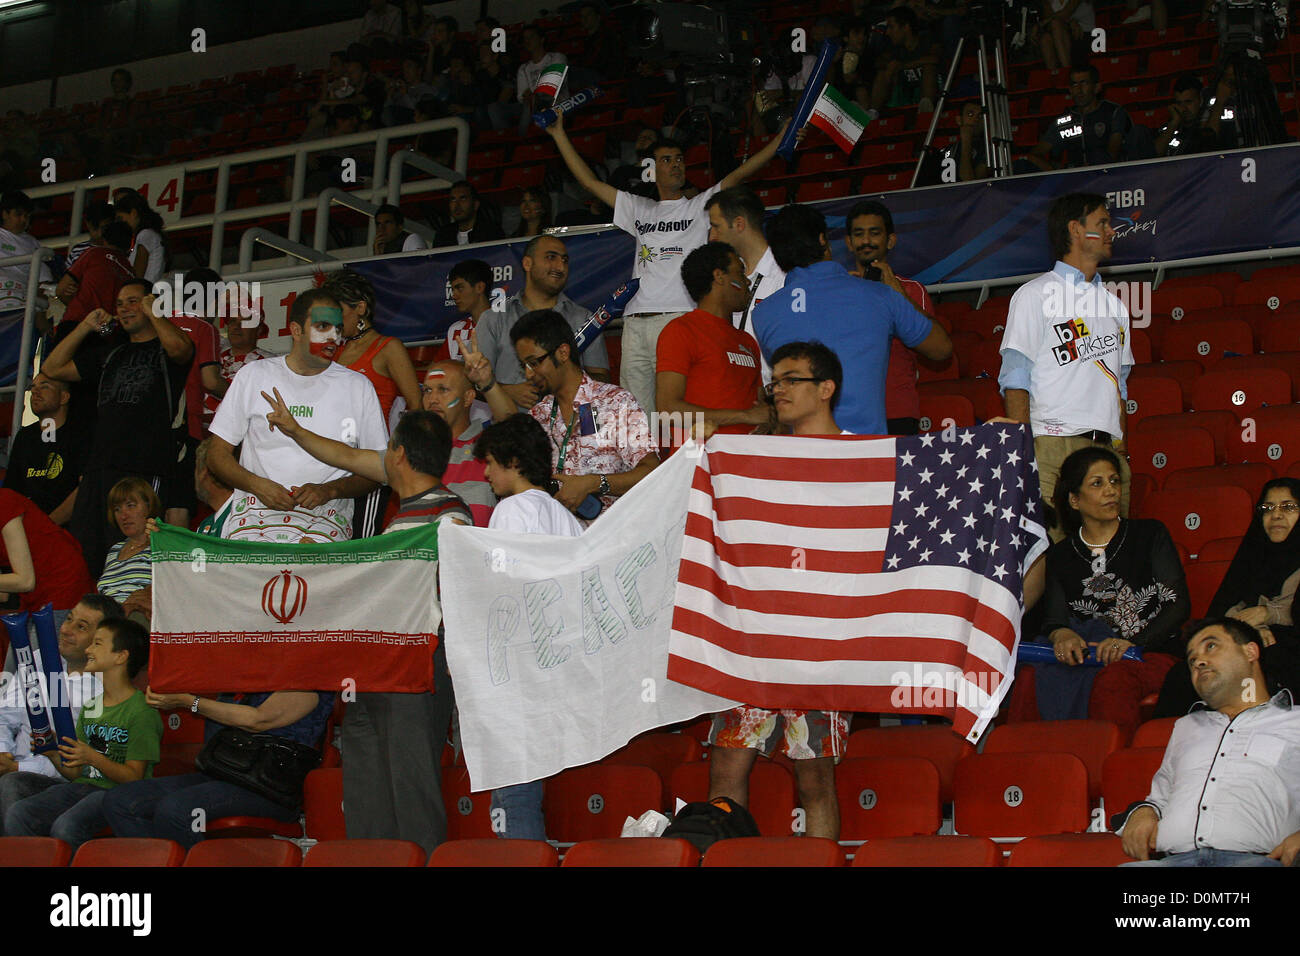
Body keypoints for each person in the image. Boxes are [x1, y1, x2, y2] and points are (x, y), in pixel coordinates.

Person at [260, 397, 469, 853]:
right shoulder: (409, 508)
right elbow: (343, 455)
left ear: (397, 455)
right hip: (370, 672)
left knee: (411, 793)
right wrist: (295, 431)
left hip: (415, 671)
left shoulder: (449, 514)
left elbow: (444, 590)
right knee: (365, 794)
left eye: (385, 450)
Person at [543, 106, 792, 418]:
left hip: (678, 319)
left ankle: (680, 465)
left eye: (679, 160)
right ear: (652, 168)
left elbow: (740, 175)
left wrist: (778, 141)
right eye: (666, 160)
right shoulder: (638, 207)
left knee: (674, 414)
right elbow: (590, 184)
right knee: (636, 416)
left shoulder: (702, 206)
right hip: (635, 321)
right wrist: (558, 134)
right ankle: (648, 467)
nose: (676, 165)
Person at [1009, 447, 1190, 742]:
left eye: (1114, 481)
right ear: (1074, 499)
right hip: (1088, 655)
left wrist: (1131, 643)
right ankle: (1030, 766)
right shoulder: (1061, 555)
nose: (1111, 491)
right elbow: (1055, 619)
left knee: (1113, 679)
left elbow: (1178, 605)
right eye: (1098, 483)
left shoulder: (1150, 535)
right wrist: (1061, 635)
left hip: (1149, 653)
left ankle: (1115, 769)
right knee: (1030, 677)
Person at [474, 413, 584, 840]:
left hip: (518, 664)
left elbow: (501, 590)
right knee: (524, 781)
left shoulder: (511, 510)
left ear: (513, 461)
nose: (485, 473)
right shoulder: (565, 517)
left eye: (490, 463)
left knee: (512, 785)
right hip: (556, 663)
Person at [751, 204, 951, 436]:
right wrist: (899, 295)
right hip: (865, 451)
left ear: (777, 254)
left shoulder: (762, 313)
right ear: (822, 240)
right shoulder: (879, 295)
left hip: (803, 454)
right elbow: (942, 349)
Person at [206, 287, 387, 543]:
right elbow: (216, 455)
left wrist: (330, 490)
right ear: (296, 330)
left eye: (337, 328)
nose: (333, 337)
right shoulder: (253, 375)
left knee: (309, 565)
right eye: (323, 326)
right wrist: (258, 486)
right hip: (253, 513)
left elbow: (379, 470)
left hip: (325, 516)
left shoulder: (357, 386)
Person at [998, 192, 1134, 529]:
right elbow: (1015, 380)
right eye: (1102, 223)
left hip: (1106, 452)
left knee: (1110, 565)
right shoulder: (1034, 295)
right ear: (1075, 229)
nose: (1111, 231)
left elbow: (1120, 391)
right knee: (1052, 561)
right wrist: (1024, 458)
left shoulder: (1116, 307)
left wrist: (1119, 452)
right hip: (1051, 449)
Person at [1118, 617, 1300, 866]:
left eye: (1211, 646)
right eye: (1192, 660)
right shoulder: (1186, 727)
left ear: (1250, 651)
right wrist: (1144, 811)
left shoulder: (1294, 721)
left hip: (1254, 862)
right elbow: (1160, 798)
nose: (1199, 662)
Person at [42, 279, 194, 572]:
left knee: (137, 558)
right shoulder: (111, 353)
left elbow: (182, 349)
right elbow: (52, 368)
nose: (124, 309)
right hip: (100, 469)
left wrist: (155, 313)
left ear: (151, 303)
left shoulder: (166, 348)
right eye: (120, 303)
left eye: (133, 301)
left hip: (144, 468)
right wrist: (85, 326)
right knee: (89, 556)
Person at [464, 310, 660, 518]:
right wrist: (487, 383)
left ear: (563, 353)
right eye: (524, 366)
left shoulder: (615, 402)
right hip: (555, 541)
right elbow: (510, 425)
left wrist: (595, 483)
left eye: (534, 362)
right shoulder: (540, 415)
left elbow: (651, 472)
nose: (529, 374)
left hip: (609, 539)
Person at [102, 685, 333, 850]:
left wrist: (188, 701)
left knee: (175, 810)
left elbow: (258, 720)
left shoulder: (310, 683)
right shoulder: (258, 675)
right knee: (120, 800)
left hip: (270, 787)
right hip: (228, 771)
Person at [3, 618, 159, 851]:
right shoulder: (92, 707)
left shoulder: (141, 711)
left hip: (117, 793)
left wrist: (92, 757)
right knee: (20, 813)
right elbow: (76, 773)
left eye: (97, 644)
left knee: (66, 827)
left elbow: (134, 778)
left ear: (120, 656)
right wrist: (53, 751)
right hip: (83, 786)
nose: (88, 650)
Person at [1155, 479, 1300, 717]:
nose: (1276, 515)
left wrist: (1267, 613)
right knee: (1182, 675)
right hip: (1246, 643)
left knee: (1277, 664)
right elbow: (1223, 610)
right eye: (1267, 508)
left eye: (1288, 507)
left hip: (1290, 650)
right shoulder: (1253, 555)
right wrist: (1247, 629)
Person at [0, 594, 121, 828]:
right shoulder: (37, 660)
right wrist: (3, 752)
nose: (66, 630)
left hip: (62, 780)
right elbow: (4, 716)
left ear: (102, 642)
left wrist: (17, 767)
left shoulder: (104, 692)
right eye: (68, 619)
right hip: (14, 765)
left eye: (81, 627)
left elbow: (88, 765)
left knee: (12, 784)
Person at [656, 242, 767, 449]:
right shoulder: (681, 330)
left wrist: (770, 421)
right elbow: (667, 411)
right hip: (698, 464)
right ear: (719, 276)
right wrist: (744, 416)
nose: (747, 281)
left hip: (744, 465)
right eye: (740, 272)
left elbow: (759, 409)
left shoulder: (748, 341)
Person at [480, 234, 610, 410]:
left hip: (568, 430)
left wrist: (560, 381)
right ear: (527, 263)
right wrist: (507, 391)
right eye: (551, 257)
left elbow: (601, 380)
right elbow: (476, 383)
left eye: (564, 260)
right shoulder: (493, 318)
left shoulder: (584, 319)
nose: (560, 266)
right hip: (512, 430)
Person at [844, 199, 936, 437]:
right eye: (859, 234)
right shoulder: (838, 291)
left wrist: (896, 292)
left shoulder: (912, 290)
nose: (866, 241)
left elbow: (937, 346)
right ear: (849, 242)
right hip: (848, 413)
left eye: (874, 233)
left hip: (898, 413)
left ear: (890, 240)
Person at [704, 187, 785, 383]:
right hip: (732, 394)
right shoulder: (720, 277)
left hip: (772, 396)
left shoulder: (783, 275)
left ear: (739, 224)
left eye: (716, 227)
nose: (711, 236)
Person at [323, 269, 422, 424]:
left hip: (373, 445)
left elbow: (417, 405)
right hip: (335, 443)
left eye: (338, 311)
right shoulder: (334, 351)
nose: (332, 319)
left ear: (360, 308)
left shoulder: (389, 348)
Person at [3, 374, 86, 524]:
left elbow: (85, 489)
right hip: (28, 531)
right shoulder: (25, 437)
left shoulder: (80, 435)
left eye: (45, 386)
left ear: (64, 397)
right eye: (33, 387)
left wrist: (47, 527)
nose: (35, 392)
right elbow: (12, 492)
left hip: (67, 533)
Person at [421, 362, 496, 527]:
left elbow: (510, 418)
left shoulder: (491, 447)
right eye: (427, 390)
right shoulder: (413, 449)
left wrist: (487, 382)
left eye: (443, 390)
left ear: (468, 397)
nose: (432, 399)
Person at [1028, 65, 1132, 171]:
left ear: (1097, 87)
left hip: (1109, 174)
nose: (1079, 89)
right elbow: (1035, 154)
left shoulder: (1113, 112)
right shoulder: (1064, 120)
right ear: (1070, 90)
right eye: (1074, 84)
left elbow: (1113, 153)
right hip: (1074, 179)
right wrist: (1056, 174)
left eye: (1084, 83)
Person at [96, 478, 159, 619]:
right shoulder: (114, 550)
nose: (123, 516)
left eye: (130, 506)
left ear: (148, 507)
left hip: (139, 617)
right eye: (117, 509)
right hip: (108, 618)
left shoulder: (160, 547)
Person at [55, 219, 135, 328]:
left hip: (76, 323)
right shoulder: (131, 273)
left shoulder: (93, 254)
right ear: (129, 245)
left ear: (104, 239)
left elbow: (61, 290)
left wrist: (78, 306)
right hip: (108, 333)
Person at [867, 7, 940, 120]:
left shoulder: (927, 38)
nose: (887, 32)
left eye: (891, 27)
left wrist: (902, 66)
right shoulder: (894, 46)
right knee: (883, 72)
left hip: (934, 91)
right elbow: (879, 62)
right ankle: (872, 114)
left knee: (929, 68)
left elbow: (934, 59)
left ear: (906, 27)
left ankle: (926, 111)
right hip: (905, 93)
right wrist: (890, 65)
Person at [769, 340, 846, 436]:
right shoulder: (764, 449)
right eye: (774, 383)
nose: (777, 390)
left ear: (826, 390)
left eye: (790, 380)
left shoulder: (860, 449)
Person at [0, 191, 52, 318]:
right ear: (4, 214)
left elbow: (43, 282)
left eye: (27, 216)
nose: (23, 220)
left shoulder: (33, 244)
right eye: (18, 214)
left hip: (22, 301)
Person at [436, 258, 494, 363]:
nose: (454, 295)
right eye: (453, 290)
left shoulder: (504, 325)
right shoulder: (456, 330)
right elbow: (440, 368)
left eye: (460, 288)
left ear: (480, 287)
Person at [1153, 74, 1220, 157]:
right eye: (1179, 103)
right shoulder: (1168, 129)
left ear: (1201, 100)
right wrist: (1174, 123)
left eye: (1188, 102)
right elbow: (1153, 156)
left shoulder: (1210, 125)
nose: (1183, 108)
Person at [515, 24, 567, 129]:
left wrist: (534, 94)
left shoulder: (556, 58)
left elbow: (551, 86)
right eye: (525, 38)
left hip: (558, 104)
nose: (527, 41)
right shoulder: (523, 68)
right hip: (534, 106)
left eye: (531, 37)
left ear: (541, 39)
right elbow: (524, 95)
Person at [113, 190, 167, 284]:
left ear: (133, 213)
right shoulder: (148, 235)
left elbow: (137, 275)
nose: (120, 223)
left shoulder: (146, 235)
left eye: (121, 218)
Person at [432, 181, 503, 247]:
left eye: (463, 199)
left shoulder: (490, 232)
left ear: (475, 204)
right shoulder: (443, 235)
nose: (457, 205)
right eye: (453, 199)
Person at [1035, 0, 1096, 71]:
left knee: (1056, 24)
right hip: (1063, 35)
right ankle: (1055, 76)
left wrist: (1039, 24)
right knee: (1045, 38)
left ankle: (1067, 71)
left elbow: (1065, 13)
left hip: (1084, 34)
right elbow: (1050, 22)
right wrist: (1070, 22)